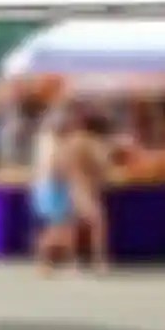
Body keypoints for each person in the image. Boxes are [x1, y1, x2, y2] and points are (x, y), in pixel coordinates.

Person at [65, 104, 110, 272]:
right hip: (87, 187)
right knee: (98, 224)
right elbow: (101, 164)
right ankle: (99, 260)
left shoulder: (70, 141)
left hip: (73, 186)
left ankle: (75, 260)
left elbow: (63, 165)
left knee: (77, 225)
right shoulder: (90, 142)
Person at [32, 108, 74, 275]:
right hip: (53, 186)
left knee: (60, 226)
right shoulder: (51, 142)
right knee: (56, 227)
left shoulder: (46, 140)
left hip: (51, 185)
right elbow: (53, 165)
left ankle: (61, 260)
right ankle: (44, 262)